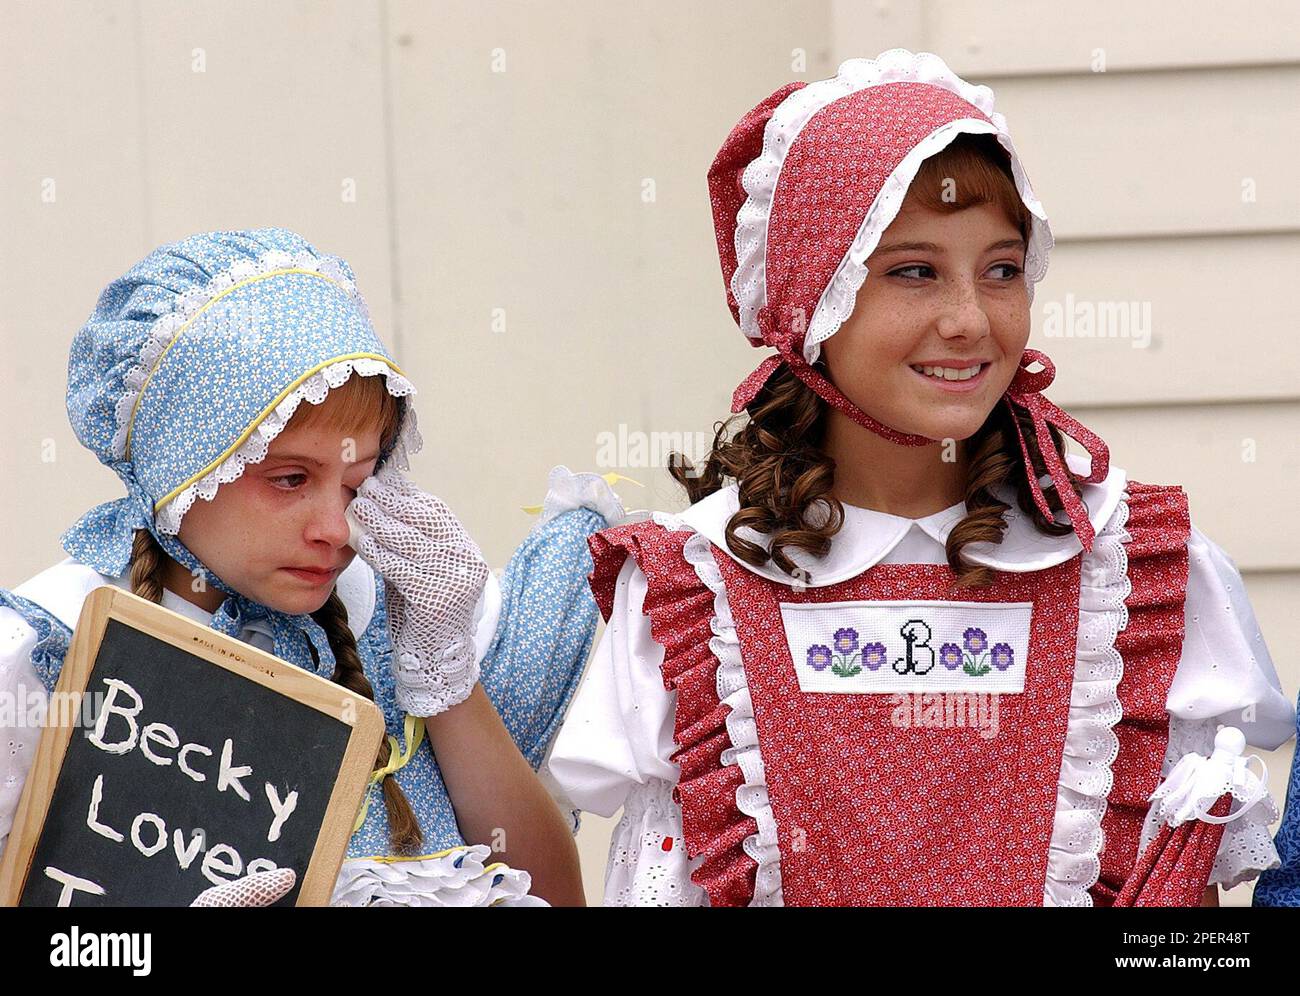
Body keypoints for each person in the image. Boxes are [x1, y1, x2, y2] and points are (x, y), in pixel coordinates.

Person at [546, 49, 1294, 906]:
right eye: (913, 271)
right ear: (809, 301)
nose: (969, 320)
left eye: (1002, 270)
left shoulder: (1138, 577)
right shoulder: (697, 594)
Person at [0, 227, 621, 906]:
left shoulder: (403, 620)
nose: (336, 529)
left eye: (357, 482)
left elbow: (555, 895)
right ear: (186, 468)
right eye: (291, 478)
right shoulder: (44, 652)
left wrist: (446, 684)